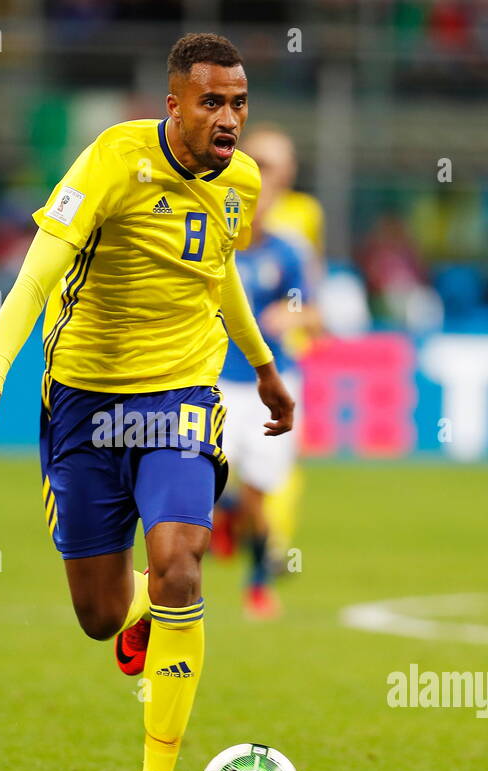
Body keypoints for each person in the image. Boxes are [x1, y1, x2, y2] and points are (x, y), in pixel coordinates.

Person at [0, 33, 295, 771]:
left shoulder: (238, 183)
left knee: (181, 566)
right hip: (85, 407)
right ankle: (136, 613)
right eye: (212, 101)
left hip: (179, 399)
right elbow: (37, 272)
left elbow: (219, 273)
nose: (229, 117)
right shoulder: (114, 159)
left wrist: (264, 366)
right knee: (100, 615)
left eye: (239, 102)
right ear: (173, 104)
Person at [215, 134, 321, 620]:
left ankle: (257, 580)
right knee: (203, 477)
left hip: (270, 382)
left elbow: (313, 312)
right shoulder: (213, 243)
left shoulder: (290, 251)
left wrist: (290, 314)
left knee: (258, 491)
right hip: (214, 378)